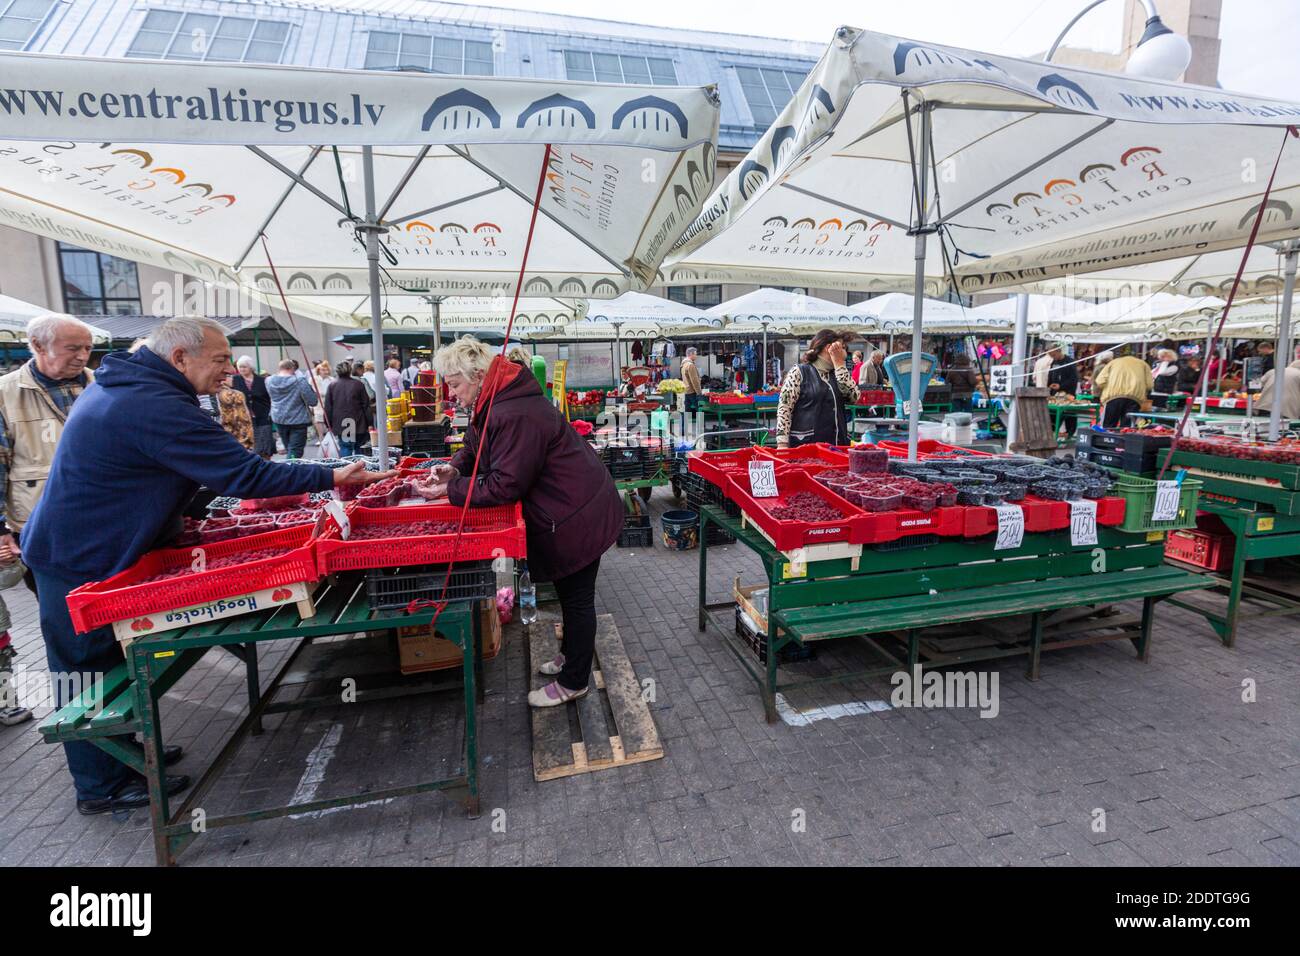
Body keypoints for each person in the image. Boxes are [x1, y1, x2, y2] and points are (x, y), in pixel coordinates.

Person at [21, 317, 387, 814]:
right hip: (78, 555)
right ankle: (100, 784)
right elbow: (242, 473)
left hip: (105, 547)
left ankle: (126, 751)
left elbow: (179, 470)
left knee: (115, 660)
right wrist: (333, 472)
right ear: (179, 359)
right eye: (219, 361)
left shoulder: (135, 387)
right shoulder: (149, 404)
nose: (229, 373)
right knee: (83, 667)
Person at [414, 337, 621, 709]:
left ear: (477, 376)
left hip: (579, 513)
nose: (451, 394)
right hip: (568, 509)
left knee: (577, 599)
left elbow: (506, 485)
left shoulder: (512, 411)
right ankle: (571, 657)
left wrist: (453, 490)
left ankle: (575, 680)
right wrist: (455, 468)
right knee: (568, 593)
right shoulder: (495, 400)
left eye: (455, 384)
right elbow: (476, 445)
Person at [0, 314, 96, 598]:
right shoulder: (5, 393)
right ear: (39, 346)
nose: (83, 356)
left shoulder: (103, 385)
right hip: (41, 525)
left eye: (88, 348)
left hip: (103, 517)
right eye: (73, 348)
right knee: (61, 608)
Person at [776, 329, 859, 447]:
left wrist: (840, 365)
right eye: (843, 347)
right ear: (829, 348)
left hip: (836, 447)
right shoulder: (799, 372)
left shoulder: (839, 374)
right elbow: (785, 408)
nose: (845, 352)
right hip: (806, 447)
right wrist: (782, 443)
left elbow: (854, 397)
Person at [267, 359, 318, 459]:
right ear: (292, 368)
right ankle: (291, 470)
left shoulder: (269, 380)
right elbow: (312, 401)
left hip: (278, 418)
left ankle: (291, 466)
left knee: (289, 448)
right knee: (295, 450)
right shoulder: (299, 381)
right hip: (298, 420)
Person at [323, 362, 372, 456]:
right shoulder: (358, 384)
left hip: (342, 422)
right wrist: (370, 422)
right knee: (359, 447)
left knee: (346, 447)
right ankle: (359, 468)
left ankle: (346, 468)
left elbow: (328, 407)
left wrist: (327, 423)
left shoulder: (332, 385)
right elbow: (366, 405)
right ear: (350, 370)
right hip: (358, 421)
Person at [231, 356, 275, 459]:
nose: (242, 369)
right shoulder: (235, 380)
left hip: (262, 417)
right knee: (248, 447)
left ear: (251, 367)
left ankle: (266, 466)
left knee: (264, 447)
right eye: (240, 367)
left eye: (244, 367)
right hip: (243, 419)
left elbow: (269, 398)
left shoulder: (262, 380)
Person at [1094, 350, 1150, 428]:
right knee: (1127, 428)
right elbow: (1150, 385)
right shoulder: (1144, 364)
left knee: (1108, 426)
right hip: (1134, 398)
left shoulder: (1113, 363)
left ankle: (1107, 439)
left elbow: (1099, 381)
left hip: (1113, 397)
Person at [311, 361, 334, 444]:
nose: (325, 372)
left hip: (329, 402)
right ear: (319, 371)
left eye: (326, 370)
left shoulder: (332, 380)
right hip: (318, 402)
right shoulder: (313, 379)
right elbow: (311, 390)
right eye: (323, 370)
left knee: (328, 419)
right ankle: (321, 438)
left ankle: (330, 437)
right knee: (318, 420)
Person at [681, 347, 703, 413]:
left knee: (687, 411)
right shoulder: (690, 365)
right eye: (695, 354)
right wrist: (699, 392)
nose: (696, 356)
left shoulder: (684, 364)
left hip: (686, 390)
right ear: (691, 354)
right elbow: (695, 380)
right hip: (692, 391)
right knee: (700, 410)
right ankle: (701, 423)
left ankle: (684, 423)